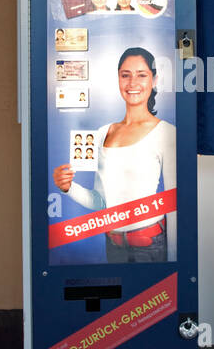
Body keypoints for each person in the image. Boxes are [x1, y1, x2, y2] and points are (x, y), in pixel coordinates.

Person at [53, 47, 176, 263]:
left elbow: (174, 205)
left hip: (151, 249)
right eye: (125, 75)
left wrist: (176, 262)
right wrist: (68, 187)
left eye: (142, 75)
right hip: (113, 246)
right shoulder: (102, 133)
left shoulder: (166, 132)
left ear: (154, 80)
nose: (132, 83)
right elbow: (100, 202)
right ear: (118, 79)